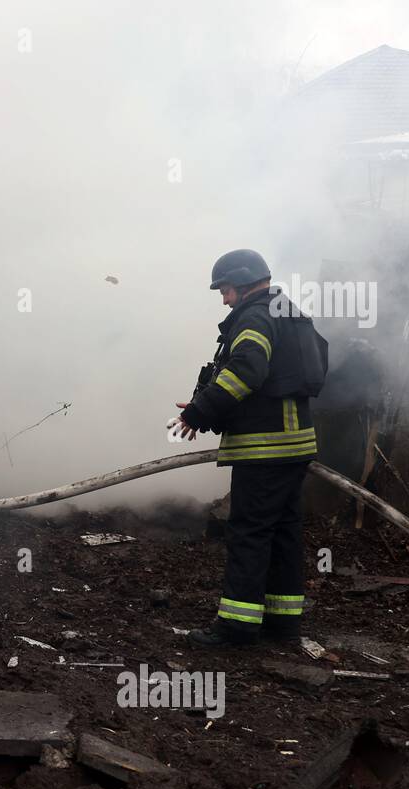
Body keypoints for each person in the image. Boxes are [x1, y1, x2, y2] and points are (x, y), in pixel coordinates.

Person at [174, 249, 316, 646]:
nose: (223, 298)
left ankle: (236, 628)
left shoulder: (256, 315)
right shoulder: (287, 312)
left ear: (241, 281)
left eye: (225, 289)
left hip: (265, 448)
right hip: (295, 445)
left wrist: (200, 411)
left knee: (249, 534)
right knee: (283, 534)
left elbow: (247, 371)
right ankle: (283, 624)